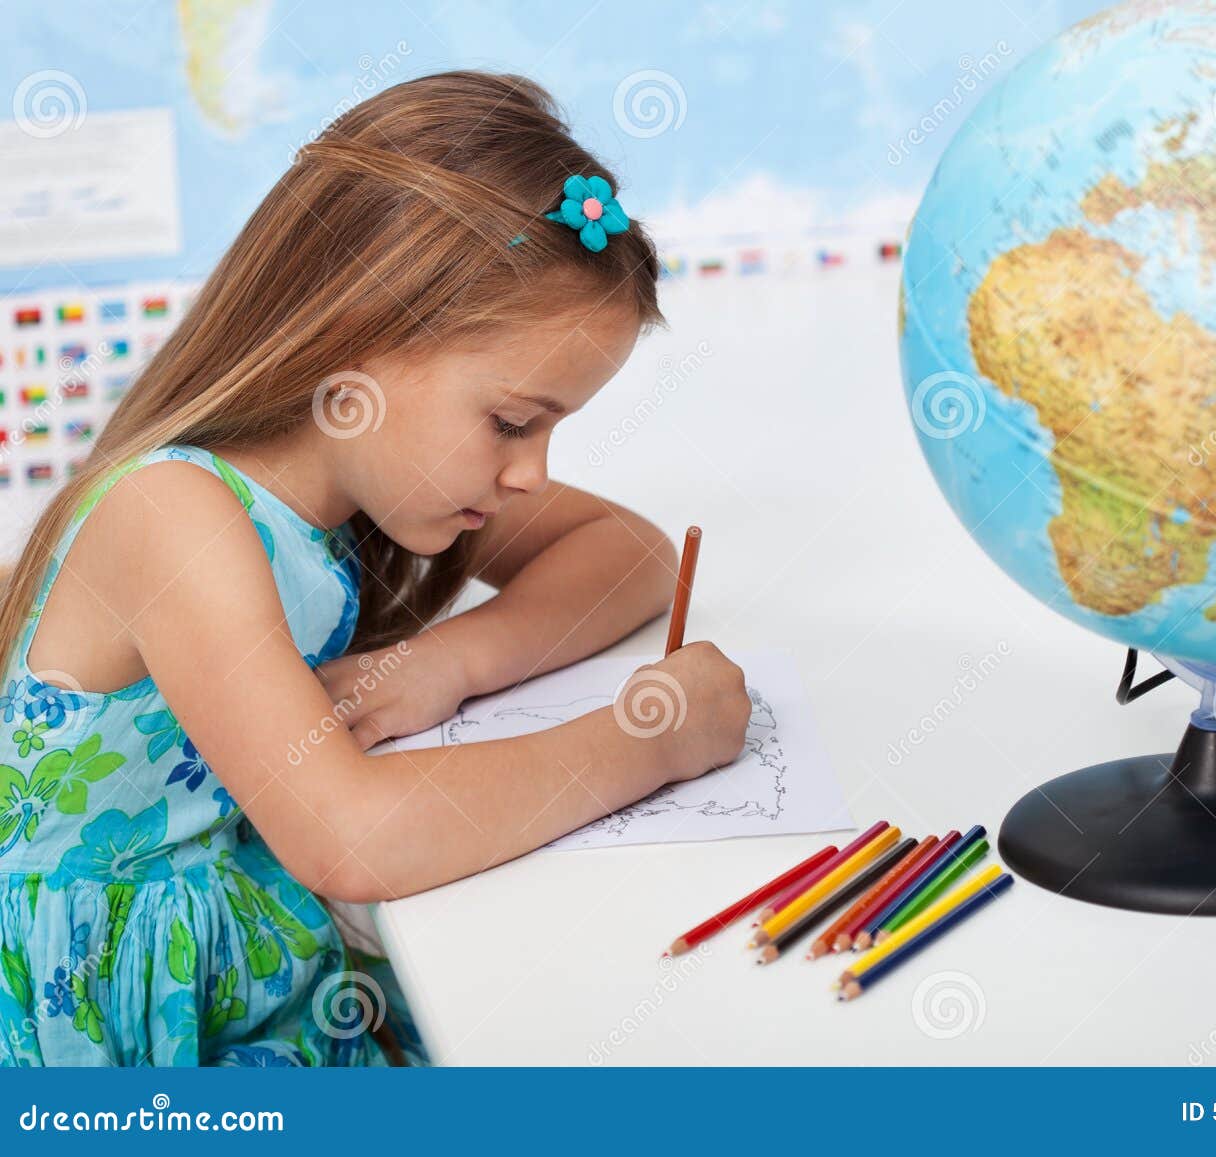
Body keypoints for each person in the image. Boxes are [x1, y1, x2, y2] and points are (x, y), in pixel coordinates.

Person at [0, 71, 751, 1066]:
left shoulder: (364, 490)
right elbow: (349, 835)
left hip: (232, 964)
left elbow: (631, 559)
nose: (530, 473)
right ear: (354, 344)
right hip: (103, 1029)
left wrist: (451, 660)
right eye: (513, 421)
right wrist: (651, 739)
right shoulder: (172, 512)